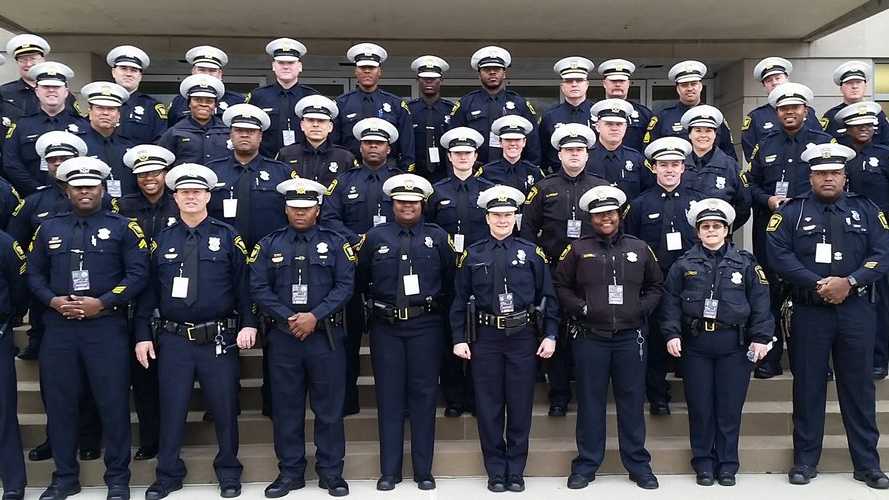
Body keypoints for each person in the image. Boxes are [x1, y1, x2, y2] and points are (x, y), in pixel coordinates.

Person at [767, 143, 889, 490]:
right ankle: (805, 462)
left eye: (834, 172)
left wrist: (850, 282)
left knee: (859, 390)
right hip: (810, 310)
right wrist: (818, 283)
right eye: (821, 173)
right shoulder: (792, 211)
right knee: (808, 388)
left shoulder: (866, 210)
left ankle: (867, 465)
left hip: (856, 311)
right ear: (811, 176)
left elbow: (883, 253)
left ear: (844, 176)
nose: (828, 178)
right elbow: (778, 253)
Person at [26, 156, 149, 500]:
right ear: (66, 191)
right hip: (60, 329)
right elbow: (33, 274)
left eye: (91, 186)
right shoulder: (48, 228)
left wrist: (105, 301)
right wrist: (52, 301)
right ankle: (65, 477)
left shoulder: (124, 227)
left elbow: (138, 275)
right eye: (78, 186)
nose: (84, 191)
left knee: (112, 404)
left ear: (101, 189)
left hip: (105, 329)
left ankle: (118, 478)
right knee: (61, 405)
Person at [135, 163, 256, 499]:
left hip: (217, 336)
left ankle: (229, 471)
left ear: (208, 196)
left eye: (198, 192)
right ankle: (168, 473)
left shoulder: (227, 236)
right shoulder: (162, 241)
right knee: (171, 408)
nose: (191, 197)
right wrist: (143, 334)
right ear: (175, 197)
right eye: (185, 192)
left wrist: (249, 322)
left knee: (224, 408)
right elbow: (148, 293)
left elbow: (244, 286)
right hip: (174, 339)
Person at [554, 185, 663, 491]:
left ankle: (638, 465)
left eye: (611, 213)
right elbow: (560, 286)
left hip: (631, 338)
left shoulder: (639, 248)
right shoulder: (576, 250)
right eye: (600, 214)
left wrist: (638, 309)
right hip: (591, 337)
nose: (606, 218)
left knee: (631, 402)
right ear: (591, 217)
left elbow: (656, 285)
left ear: (619, 215)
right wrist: (582, 308)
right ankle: (587, 465)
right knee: (590, 403)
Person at [451, 184, 558, 492]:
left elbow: (547, 297)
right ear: (486, 218)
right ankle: (496, 470)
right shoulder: (472, 255)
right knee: (489, 405)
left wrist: (550, 335)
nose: (502, 220)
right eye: (496, 215)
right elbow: (459, 300)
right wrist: (460, 338)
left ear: (516, 217)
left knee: (520, 404)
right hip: (485, 337)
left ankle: (516, 469)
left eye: (508, 215)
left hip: (522, 336)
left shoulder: (531, 253)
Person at [250, 178, 353, 498]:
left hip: (325, 338)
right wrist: (288, 317)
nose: (300, 213)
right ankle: (290, 472)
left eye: (307, 208)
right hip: (284, 338)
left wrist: (314, 316)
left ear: (318, 210)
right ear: (285, 208)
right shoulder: (269, 244)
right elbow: (258, 287)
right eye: (294, 207)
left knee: (329, 409)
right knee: (286, 408)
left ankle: (331, 472)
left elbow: (345, 285)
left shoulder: (336, 243)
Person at [662, 198, 773, 486]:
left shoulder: (746, 263)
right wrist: (672, 333)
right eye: (706, 226)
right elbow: (671, 303)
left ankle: (727, 464)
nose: (711, 230)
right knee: (700, 407)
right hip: (696, 344)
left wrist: (760, 337)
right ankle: (703, 463)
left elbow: (761, 302)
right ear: (697, 232)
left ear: (727, 229)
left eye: (717, 226)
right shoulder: (683, 264)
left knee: (729, 408)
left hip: (733, 345)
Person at [356, 173, 452, 492]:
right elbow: (362, 279)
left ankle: (423, 470)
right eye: (401, 202)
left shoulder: (438, 238)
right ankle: (390, 470)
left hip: (426, 325)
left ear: (422, 204)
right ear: (392, 204)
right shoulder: (375, 237)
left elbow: (450, 282)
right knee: (390, 397)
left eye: (412, 202)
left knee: (424, 397)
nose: (407, 206)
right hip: (387, 327)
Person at [747, 82, 834, 379]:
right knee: (769, 292)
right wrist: (768, 199)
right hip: (772, 229)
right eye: (783, 109)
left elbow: (835, 185)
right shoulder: (765, 144)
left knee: (812, 292)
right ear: (776, 112)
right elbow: (752, 185)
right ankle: (769, 359)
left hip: (812, 230)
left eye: (795, 108)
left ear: (805, 110)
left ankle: (815, 362)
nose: (789, 113)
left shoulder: (824, 143)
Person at [520, 123, 607, 416]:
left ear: (587, 155)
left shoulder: (599, 187)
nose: (574, 155)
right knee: (553, 328)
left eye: (579, 150)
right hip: (554, 270)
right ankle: (558, 395)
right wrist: (538, 262)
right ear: (559, 154)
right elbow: (528, 229)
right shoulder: (543, 188)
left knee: (588, 333)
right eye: (568, 150)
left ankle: (585, 392)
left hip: (590, 271)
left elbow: (611, 228)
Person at [320, 117, 403, 415]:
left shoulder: (402, 181)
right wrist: (357, 240)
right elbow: (329, 218)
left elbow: (414, 218)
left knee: (393, 341)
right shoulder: (344, 182)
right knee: (348, 338)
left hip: (392, 269)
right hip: (352, 269)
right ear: (360, 146)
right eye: (368, 143)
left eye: (378, 143)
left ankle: (394, 403)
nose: (373, 147)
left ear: (388, 148)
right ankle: (347, 400)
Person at [624, 136, 703, 415]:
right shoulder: (640, 204)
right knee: (656, 340)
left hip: (691, 282)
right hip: (654, 283)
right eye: (663, 165)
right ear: (654, 168)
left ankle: (695, 395)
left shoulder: (698, 203)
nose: (669, 170)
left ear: (683, 167)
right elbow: (630, 244)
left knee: (692, 338)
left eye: (675, 164)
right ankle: (658, 396)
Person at [426, 126, 492, 417]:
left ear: (476, 156)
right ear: (449, 157)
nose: (462, 157)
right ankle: (454, 398)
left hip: (482, 273)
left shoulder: (489, 192)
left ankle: (477, 398)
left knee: (480, 339)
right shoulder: (435, 192)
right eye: (457, 153)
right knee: (449, 336)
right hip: (448, 274)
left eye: (468, 153)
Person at [119, 144, 179, 462]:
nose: (149, 179)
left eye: (154, 173)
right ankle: (151, 438)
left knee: (177, 377)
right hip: (137, 298)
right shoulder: (123, 207)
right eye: (142, 175)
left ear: (165, 174)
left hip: (175, 298)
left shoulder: (179, 203)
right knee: (144, 377)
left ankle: (177, 435)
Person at [835, 101, 889, 379]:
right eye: (859, 125)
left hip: (879, 236)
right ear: (848, 128)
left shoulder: (885, 155)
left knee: (879, 299)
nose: (865, 129)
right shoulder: (837, 158)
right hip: (845, 236)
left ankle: (879, 358)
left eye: (869, 125)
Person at [207, 103, 292, 250]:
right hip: (221, 251)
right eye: (239, 130)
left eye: (251, 131)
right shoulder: (212, 171)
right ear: (230, 134)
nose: (244, 134)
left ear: (260, 136)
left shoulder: (282, 172)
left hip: (269, 252)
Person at [2, 61, 88, 195]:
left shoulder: (83, 126)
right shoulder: (21, 126)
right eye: (46, 86)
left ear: (66, 92)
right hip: (31, 196)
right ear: (37, 91)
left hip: (75, 197)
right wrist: (35, 189)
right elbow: (11, 163)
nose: (51, 90)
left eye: (56, 86)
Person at [449, 46, 541, 165]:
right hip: (474, 172)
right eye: (487, 69)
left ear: (504, 74)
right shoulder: (466, 104)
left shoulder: (519, 103)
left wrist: (529, 171)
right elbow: (454, 140)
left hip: (513, 171)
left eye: (497, 69)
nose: (492, 72)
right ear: (479, 75)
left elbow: (533, 143)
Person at [333, 43, 414, 171]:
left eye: (371, 67)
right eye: (362, 67)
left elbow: (407, 146)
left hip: (389, 170)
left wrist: (404, 173)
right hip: (350, 170)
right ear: (356, 71)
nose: (367, 71)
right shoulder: (341, 104)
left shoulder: (396, 104)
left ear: (380, 71)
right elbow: (334, 145)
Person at [644, 60, 737, 160]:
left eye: (693, 84)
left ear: (700, 86)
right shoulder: (663, 117)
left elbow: (729, 153)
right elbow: (649, 154)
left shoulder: (714, 116)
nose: (689, 88)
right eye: (684, 85)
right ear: (677, 89)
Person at [680, 105, 751, 229]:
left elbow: (743, 205)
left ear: (715, 135)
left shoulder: (730, 165)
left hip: (716, 238)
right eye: (698, 130)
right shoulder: (677, 163)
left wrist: (725, 229)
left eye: (708, 130)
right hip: (683, 237)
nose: (703, 135)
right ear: (689, 135)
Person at [741, 57, 822, 162]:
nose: (774, 83)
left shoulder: (808, 112)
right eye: (769, 80)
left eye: (778, 78)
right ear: (764, 86)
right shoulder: (756, 117)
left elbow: (819, 140)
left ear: (787, 78)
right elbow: (751, 155)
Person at [247, 38, 318, 157]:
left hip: (304, 160)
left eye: (290, 63)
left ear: (300, 66)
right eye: (281, 63)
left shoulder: (311, 97)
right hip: (266, 161)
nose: (286, 67)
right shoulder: (258, 96)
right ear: (273, 66)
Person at [0, 229, 28, 500]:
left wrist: (14, 315)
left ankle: (13, 483)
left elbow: (20, 285)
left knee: (3, 411)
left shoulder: (4, 242)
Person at [277, 95, 354, 189]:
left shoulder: (345, 157)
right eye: (310, 120)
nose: (315, 125)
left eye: (321, 121)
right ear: (302, 125)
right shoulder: (286, 154)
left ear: (330, 127)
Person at [587, 98, 652, 200]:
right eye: (609, 124)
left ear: (625, 127)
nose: (614, 128)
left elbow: (648, 191)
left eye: (619, 124)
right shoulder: (585, 157)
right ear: (597, 127)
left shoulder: (637, 159)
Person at [158, 74, 231, 165]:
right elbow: (162, 165)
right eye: (198, 100)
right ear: (189, 103)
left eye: (209, 101)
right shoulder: (174, 133)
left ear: (215, 105)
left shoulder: (228, 132)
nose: (203, 104)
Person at [80, 81, 137, 197]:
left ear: (118, 115)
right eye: (100, 108)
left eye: (111, 109)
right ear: (90, 112)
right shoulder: (79, 145)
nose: (105, 113)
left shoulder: (128, 146)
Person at [539, 57, 595, 172]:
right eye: (569, 81)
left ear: (587, 84)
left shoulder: (598, 114)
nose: (574, 84)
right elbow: (543, 152)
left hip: (594, 175)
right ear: (562, 86)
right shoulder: (550, 116)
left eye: (579, 80)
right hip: (558, 177)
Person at [166, 46, 245, 127]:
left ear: (220, 74)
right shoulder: (179, 101)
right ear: (193, 71)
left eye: (212, 70)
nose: (207, 74)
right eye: (202, 70)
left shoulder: (237, 101)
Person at [106, 45, 167, 143]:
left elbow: (160, 141)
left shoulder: (152, 107)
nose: (128, 74)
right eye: (123, 68)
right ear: (113, 72)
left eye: (134, 70)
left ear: (140, 76)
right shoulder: (101, 103)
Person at [476, 115, 545, 202]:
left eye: (517, 139)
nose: (513, 143)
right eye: (508, 139)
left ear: (524, 142)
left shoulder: (534, 172)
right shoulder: (486, 172)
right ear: (500, 142)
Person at [408, 55, 453, 183]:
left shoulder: (452, 110)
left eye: (433, 79)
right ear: (418, 80)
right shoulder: (408, 110)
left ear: (441, 80)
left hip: (444, 172)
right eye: (425, 79)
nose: (429, 82)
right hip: (415, 172)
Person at [822, 61, 889, 146]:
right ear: (841, 89)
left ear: (865, 86)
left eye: (858, 82)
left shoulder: (877, 114)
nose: (854, 86)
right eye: (849, 83)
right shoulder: (831, 116)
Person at [596, 59, 653, 153]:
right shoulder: (593, 112)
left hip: (634, 165)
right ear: (604, 83)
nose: (618, 84)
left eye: (622, 81)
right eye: (613, 81)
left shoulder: (644, 114)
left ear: (628, 84)